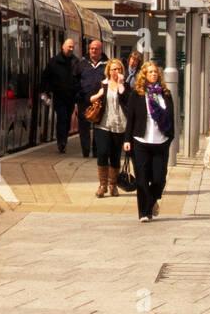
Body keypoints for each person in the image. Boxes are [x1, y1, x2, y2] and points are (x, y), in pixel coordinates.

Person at [123, 62, 175, 222]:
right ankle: (144, 213)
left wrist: (170, 137)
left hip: (161, 141)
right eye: (150, 72)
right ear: (144, 75)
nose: (153, 74)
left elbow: (171, 118)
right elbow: (130, 118)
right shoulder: (137, 94)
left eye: (155, 72)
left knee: (159, 179)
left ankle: (151, 202)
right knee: (142, 179)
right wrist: (127, 140)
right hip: (141, 141)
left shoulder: (165, 94)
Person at [87, 58, 130, 197]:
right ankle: (102, 185)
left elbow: (128, 101)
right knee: (103, 152)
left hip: (119, 124)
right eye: (114, 69)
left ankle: (113, 185)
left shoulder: (125, 86)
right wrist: (99, 94)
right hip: (103, 124)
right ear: (109, 71)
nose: (116, 72)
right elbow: (90, 99)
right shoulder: (102, 84)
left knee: (115, 155)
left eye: (119, 69)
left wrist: (121, 85)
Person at [40, 39, 78, 154]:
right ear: (63, 47)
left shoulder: (76, 62)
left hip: (71, 96)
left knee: (67, 119)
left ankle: (63, 139)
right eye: (69, 47)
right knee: (61, 117)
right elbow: (45, 77)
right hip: (59, 95)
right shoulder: (54, 62)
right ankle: (62, 142)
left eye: (72, 47)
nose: (71, 49)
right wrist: (44, 91)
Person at [75, 39, 106, 159]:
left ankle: (96, 151)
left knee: (98, 127)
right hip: (84, 100)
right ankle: (86, 150)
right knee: (84, 127)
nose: (93, 51)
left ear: (100, 50)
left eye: (96, 49)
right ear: (89, 50)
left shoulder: (106, 64)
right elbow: (75, 80)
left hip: (100, 100)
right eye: (92, 48)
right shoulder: (81, 63)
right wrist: (78, 95)